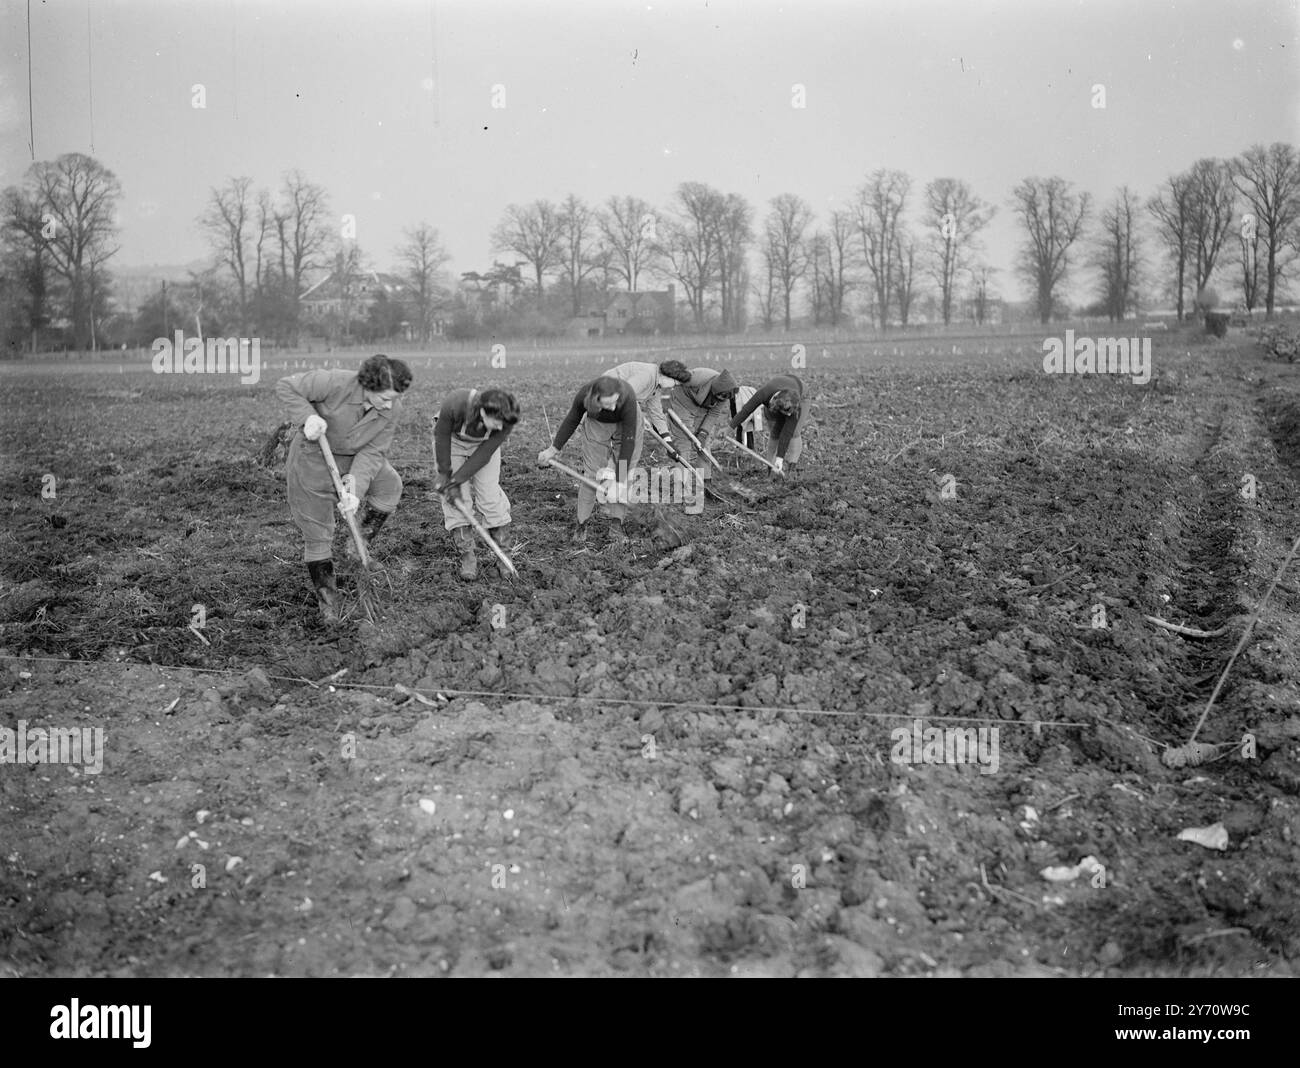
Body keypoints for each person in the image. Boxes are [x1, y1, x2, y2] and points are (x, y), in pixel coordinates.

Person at [275, 354, 412, 621]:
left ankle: (355, 546)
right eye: (384, 397)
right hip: (312, 458)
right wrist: (307, 417)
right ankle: (329, 602)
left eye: (394, 398)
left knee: (389, 485)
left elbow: (373, 452)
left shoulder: (392, 407)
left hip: (354, 459)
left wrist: (354, 492)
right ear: (367, 385)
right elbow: (286, 385)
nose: (390, 404)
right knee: (317, 532)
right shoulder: (334, 382)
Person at [538, 375, 642, 544]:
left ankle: (616, 525)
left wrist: (620, 481)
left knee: (623, 474)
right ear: (595, 400)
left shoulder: (627, 396)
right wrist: (553, 449)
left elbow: (628, 441)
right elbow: (572, 419)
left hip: (628, 424)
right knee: (592, 474)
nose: (613, 407)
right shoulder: (585, 395)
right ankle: (581, 524)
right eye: (608, 403)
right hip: (597, 423)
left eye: (615, 402)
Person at [433, 387, 521, 580]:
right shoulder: (456, 403)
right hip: (452, 444)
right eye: (497, 422)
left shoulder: (505, 419)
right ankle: (467, 557)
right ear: (484, 410)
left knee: (490, 497)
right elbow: (442, 437)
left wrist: (457, 479)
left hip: (483, 449)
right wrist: (446, 477)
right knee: (457, 502)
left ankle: (503, 556)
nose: (500, 427)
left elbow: (483, 455)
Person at [606, 359, 691, 460]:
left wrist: (668, 443)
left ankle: (619, 469)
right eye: (675, 384)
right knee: (626, 439)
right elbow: (626, 393)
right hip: (607, 397)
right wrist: (640, 418)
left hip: (618, 403)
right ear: (669, 376)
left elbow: (656, 414)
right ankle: (612, 467)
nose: (673, 388)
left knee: (628, 442)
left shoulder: (655, 386)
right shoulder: (647, 375)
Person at [729, 373, 808, 477]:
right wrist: (730, 427)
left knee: (794, 432)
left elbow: (787, 432)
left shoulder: (795, 407)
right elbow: (746, 410)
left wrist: (780, 458)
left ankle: (791, 470)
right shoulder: (764, 394)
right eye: (786, 412)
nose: (789, 415)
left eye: (790, 413)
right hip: (777, 395)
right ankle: (771, 468)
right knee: (775, 432)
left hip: (800, 393)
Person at [666, 367, 737, 480]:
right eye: (721, 395)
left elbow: (714, 413)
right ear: (716, 389)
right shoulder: (696, 378)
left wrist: (703, 433)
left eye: (725, 397)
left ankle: (706, 482)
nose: (722, 399)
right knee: (684, 441)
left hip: (702, 407)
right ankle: (680, 482)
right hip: (682, 402)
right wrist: (668, 401)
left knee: (703, 445)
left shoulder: (725, 395)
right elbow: (673, 379)